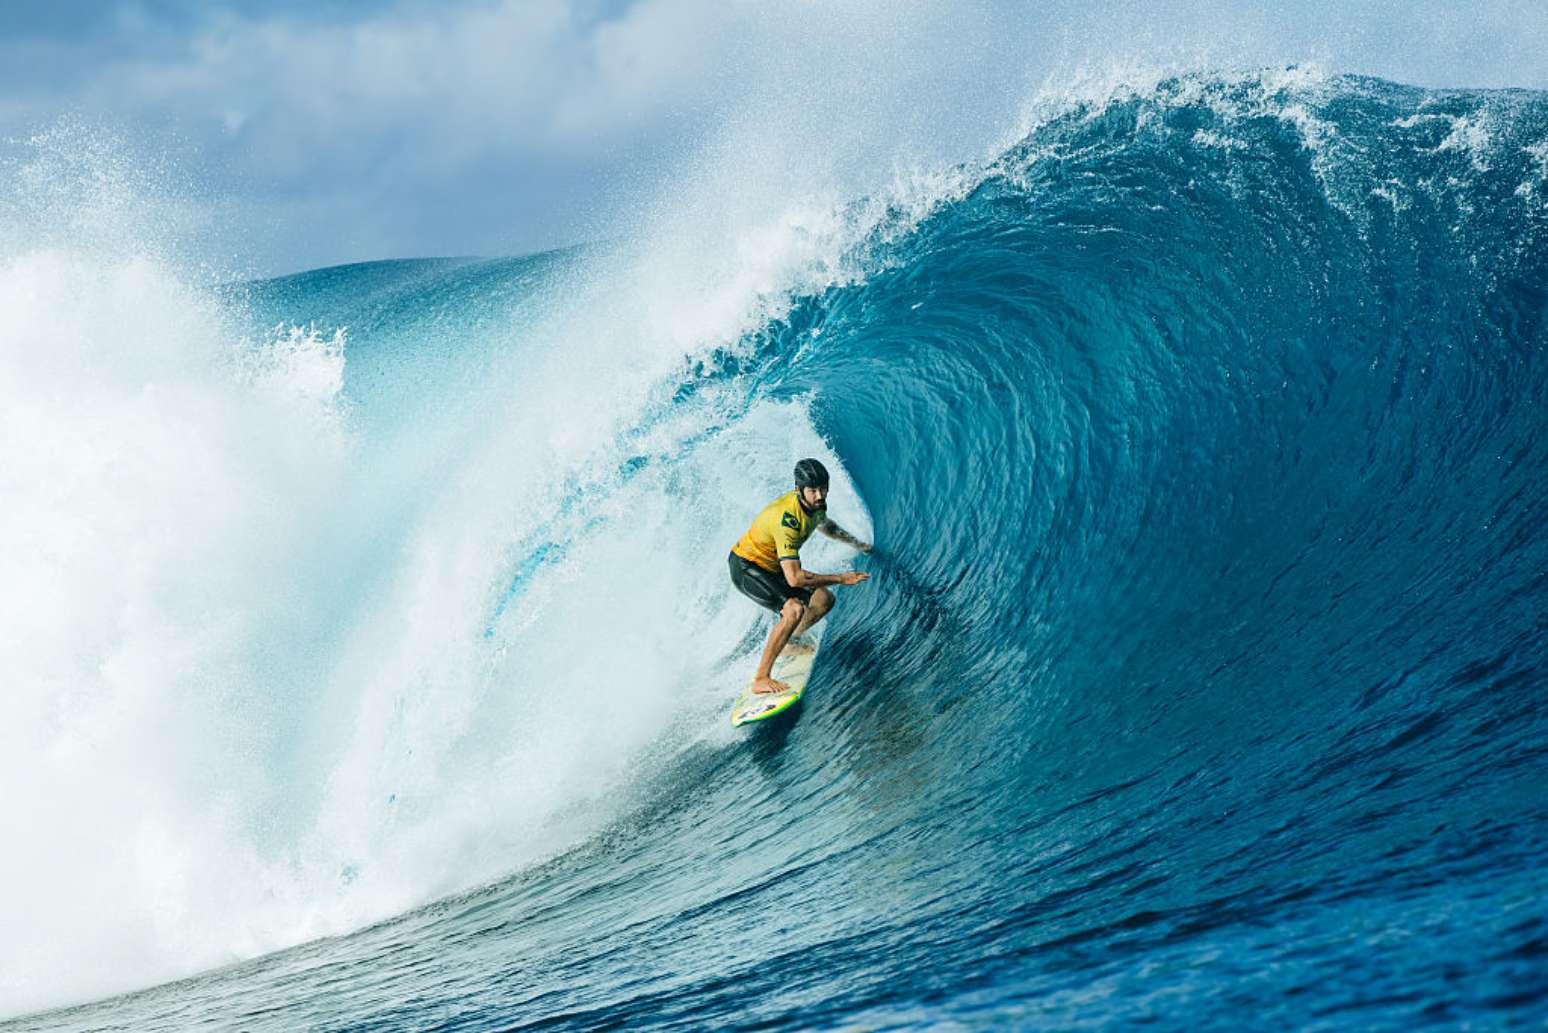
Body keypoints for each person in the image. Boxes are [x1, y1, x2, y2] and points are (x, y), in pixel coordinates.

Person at [728, 458, 872, 694]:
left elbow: (827, 527)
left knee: (824, 600)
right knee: (793, 609)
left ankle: (787, 642)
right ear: (799, 490)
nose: (819, 495)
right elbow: (794, 579)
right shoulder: (788, 520)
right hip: (746, 566)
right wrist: (841, 578)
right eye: (813, 490)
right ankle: (761, 678)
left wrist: (857, 543)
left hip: (771, 568)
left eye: (823, 488)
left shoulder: (816, 505)